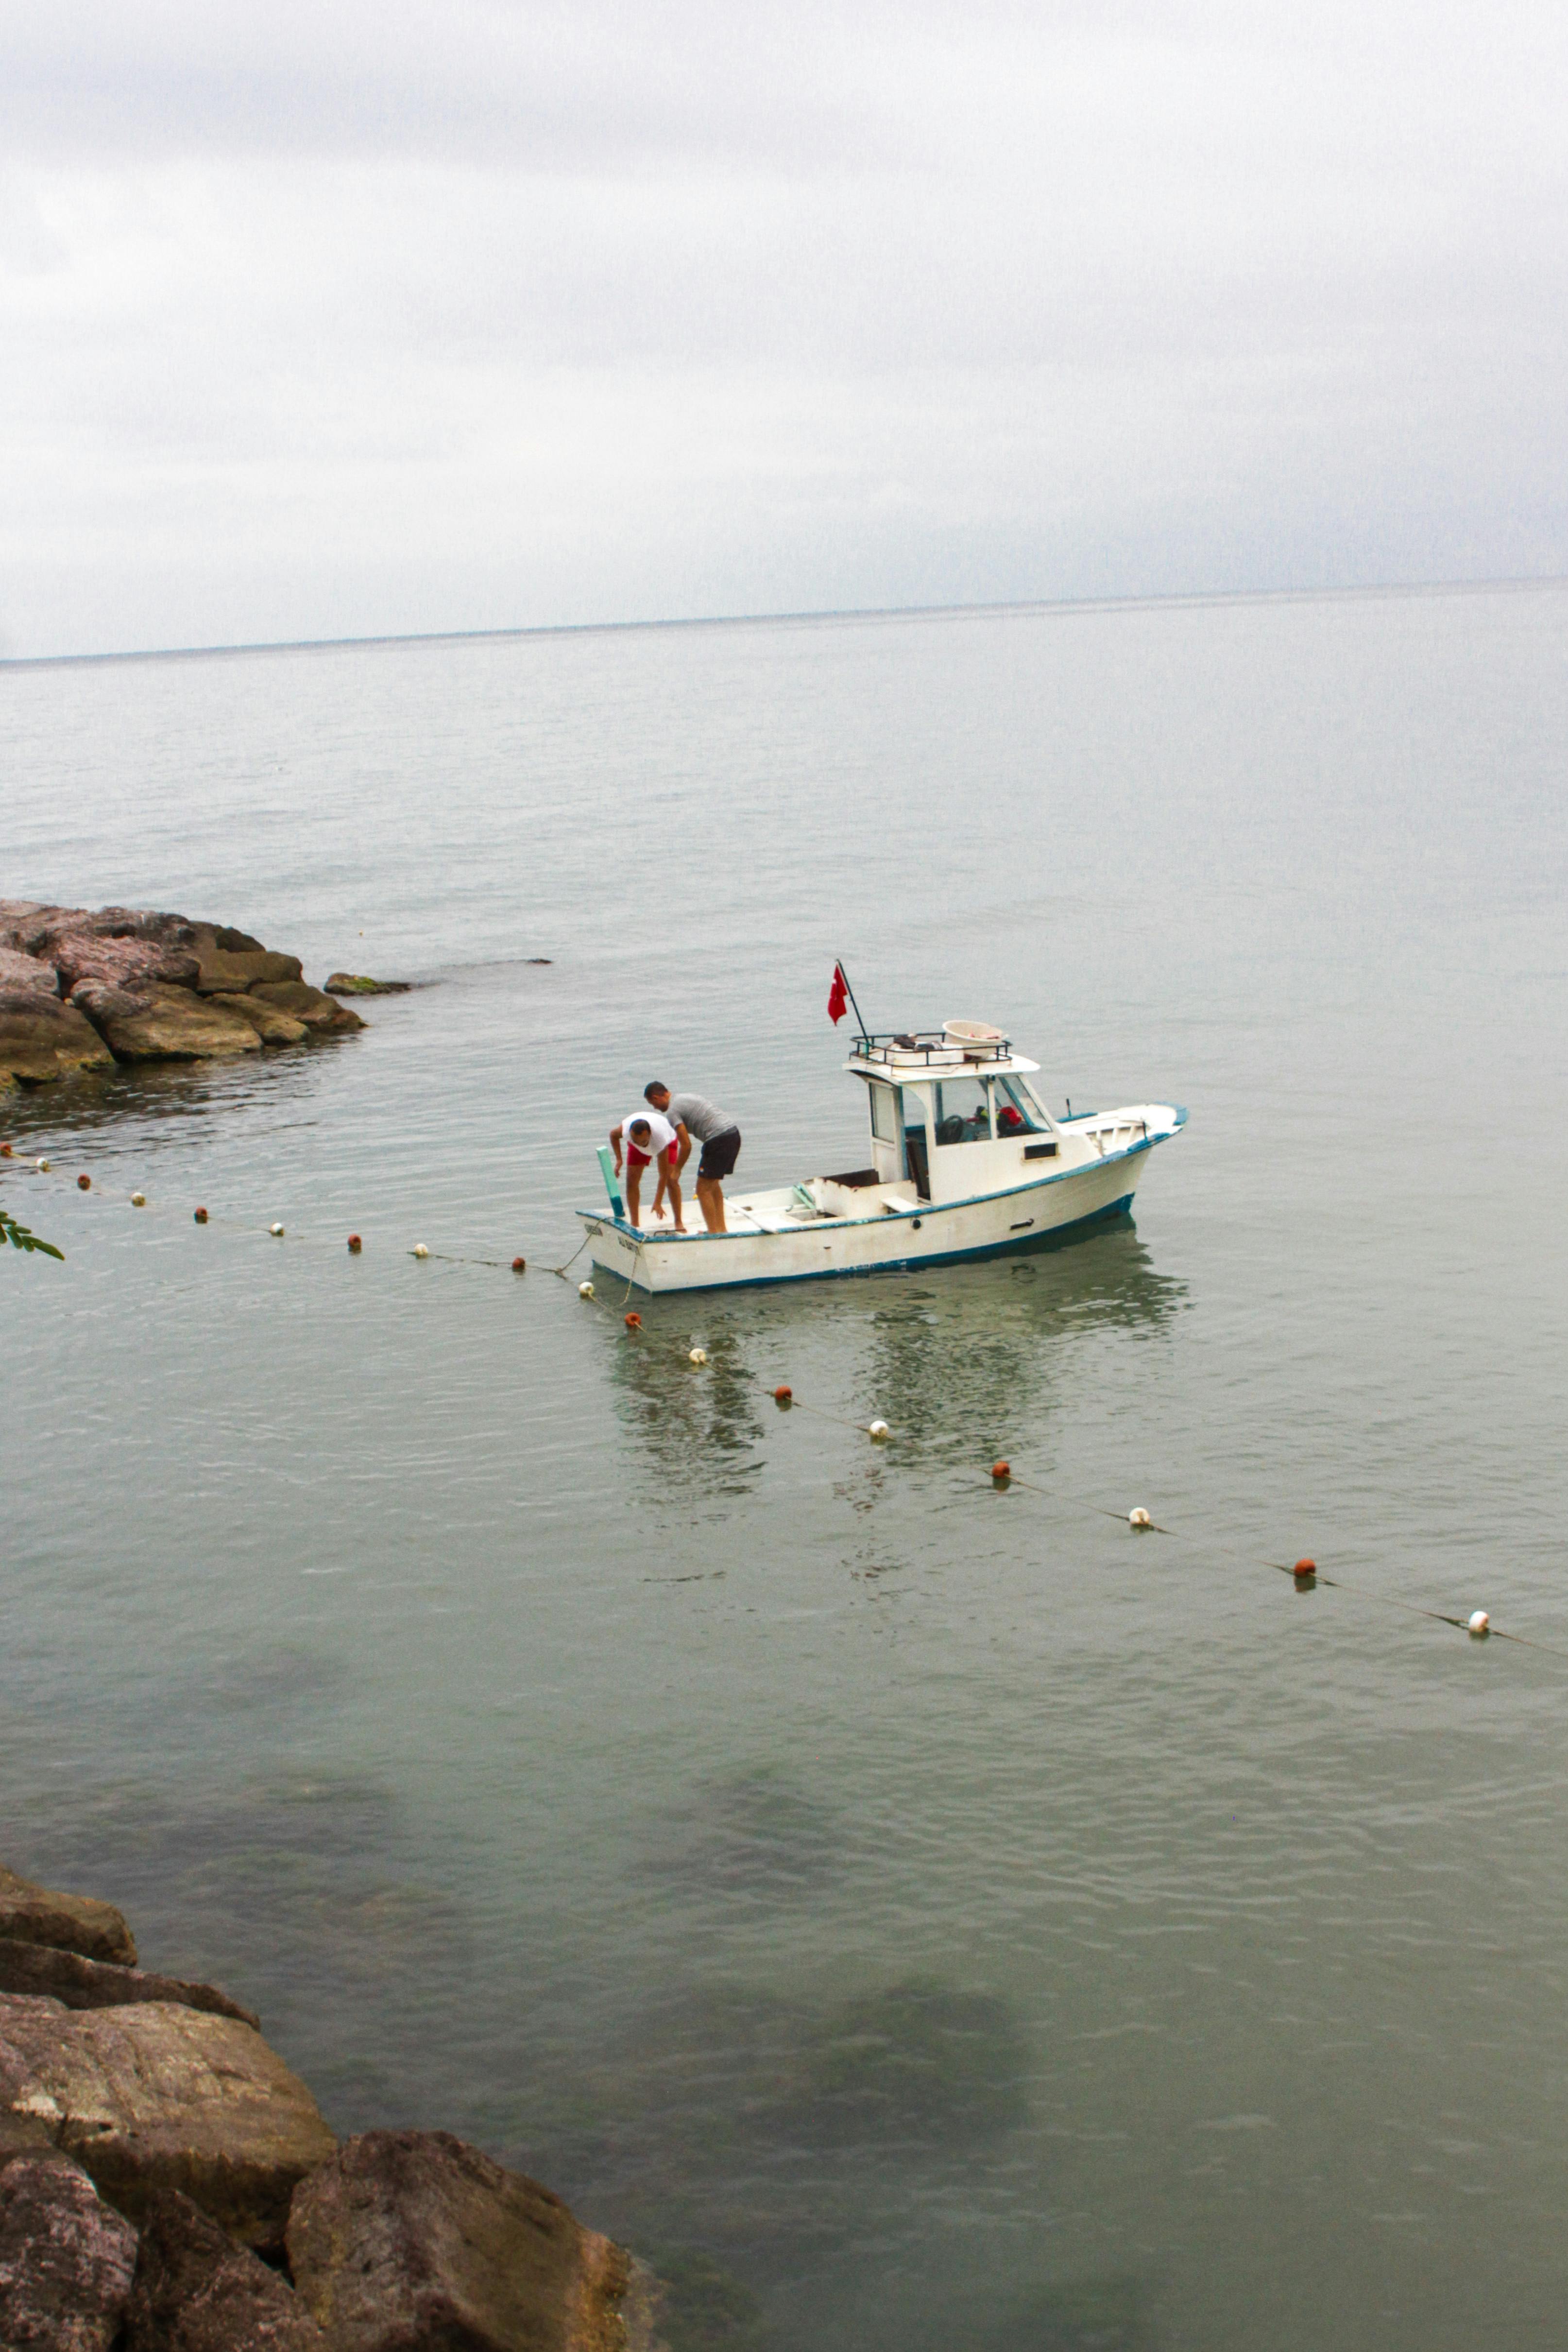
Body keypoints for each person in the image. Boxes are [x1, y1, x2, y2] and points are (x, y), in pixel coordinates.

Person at [643, 1082, 741, 1233]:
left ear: (657, 1097)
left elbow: (686, 1145)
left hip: (718, 1140)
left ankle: (714, 1233)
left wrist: (677, 1170)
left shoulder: (672, 1112)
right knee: (712, 1185)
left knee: (702, 1190)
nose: (655, 1108)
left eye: (652, 1103)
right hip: (732, 1134)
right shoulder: (685, 1097)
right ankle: (720, 1230)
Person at [609, 1108, 684, 1231]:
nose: (642, 1145)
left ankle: (679, 1222)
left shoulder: (660, 1138)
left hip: (668, 1141)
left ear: (650, 1133)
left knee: (671, 1180)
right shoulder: (627, 1132)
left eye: (644, 1142)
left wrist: (658, 1201)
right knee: (631, 1181)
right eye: (636, 1141)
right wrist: (619, 1160)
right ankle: (635, 1224)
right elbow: (613, 1135)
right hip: (638, 1143)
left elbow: (663, 1175)